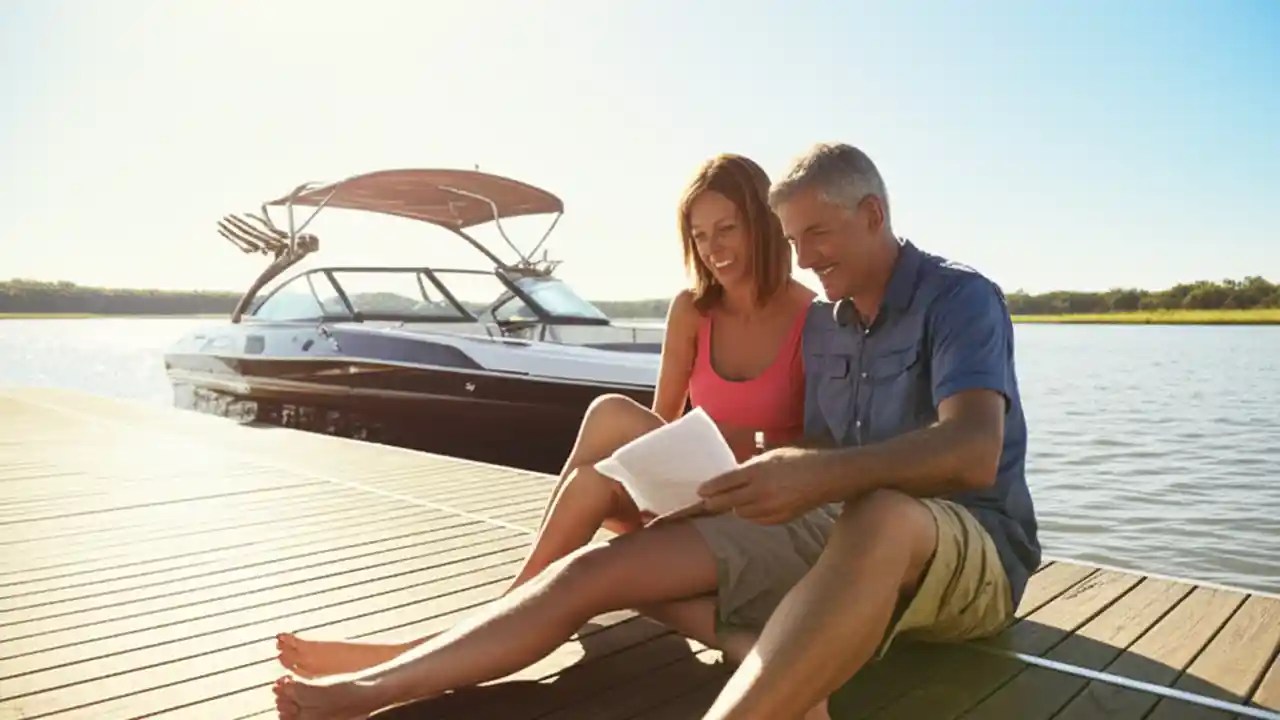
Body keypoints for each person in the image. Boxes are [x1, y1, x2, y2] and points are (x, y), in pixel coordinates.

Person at [271, 154, 837, 718]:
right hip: (686, 498)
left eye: (727, 228)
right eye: (700, 235)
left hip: (754, 513)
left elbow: (817, 455)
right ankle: (493, 618)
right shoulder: (693, 309)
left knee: (597, 461)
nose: (714, 248)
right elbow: (661, 427)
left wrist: (753, 459)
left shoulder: (811, 318)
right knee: (608, 424)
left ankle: (445, 642)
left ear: (761, 223)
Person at [695, 142, 1041, 718]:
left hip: (980, 559)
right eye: (792, 241)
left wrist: (816, 474)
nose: (803, 258)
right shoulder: (820, 324)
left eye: (817, 234)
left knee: (880, 511)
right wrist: (746, 478)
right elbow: (820, 455)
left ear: (873, 215)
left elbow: (975, 451)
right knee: (631, 562)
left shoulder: (962, 298)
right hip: (850, 540)